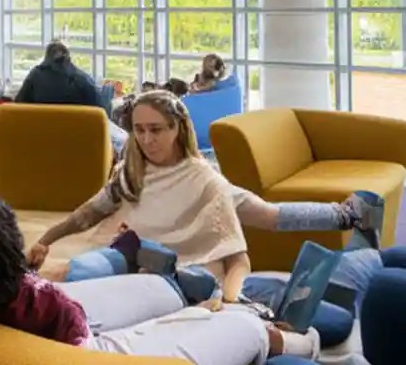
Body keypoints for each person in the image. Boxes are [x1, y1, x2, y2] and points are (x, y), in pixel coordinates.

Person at [0, 189, 318, 362]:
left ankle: (198, 306)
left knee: (162, 291)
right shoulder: (46, 302)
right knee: (241, 328)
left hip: (39, 333)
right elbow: (79, 341)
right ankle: (294, 340)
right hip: (87, 352)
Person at [28, 91, 382, 296]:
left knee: (269, 216)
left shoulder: (204, 179)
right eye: (139, 130)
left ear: (177, 130)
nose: (146, 140)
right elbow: (90, 212)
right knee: (268, 214)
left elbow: (237, 257)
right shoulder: (132, 172)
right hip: (145, 253)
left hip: (195, 207)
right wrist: (47, 239)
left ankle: (347, 214)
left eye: (156, 130)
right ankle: (347, 214)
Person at [15, 41, 128, 153]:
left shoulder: (34, 76)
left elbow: (18, 104)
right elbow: (102, 109)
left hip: (41, 139)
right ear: (68, 57)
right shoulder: (80, 79)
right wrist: (109, 90)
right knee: (123, 139)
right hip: (80, 140)